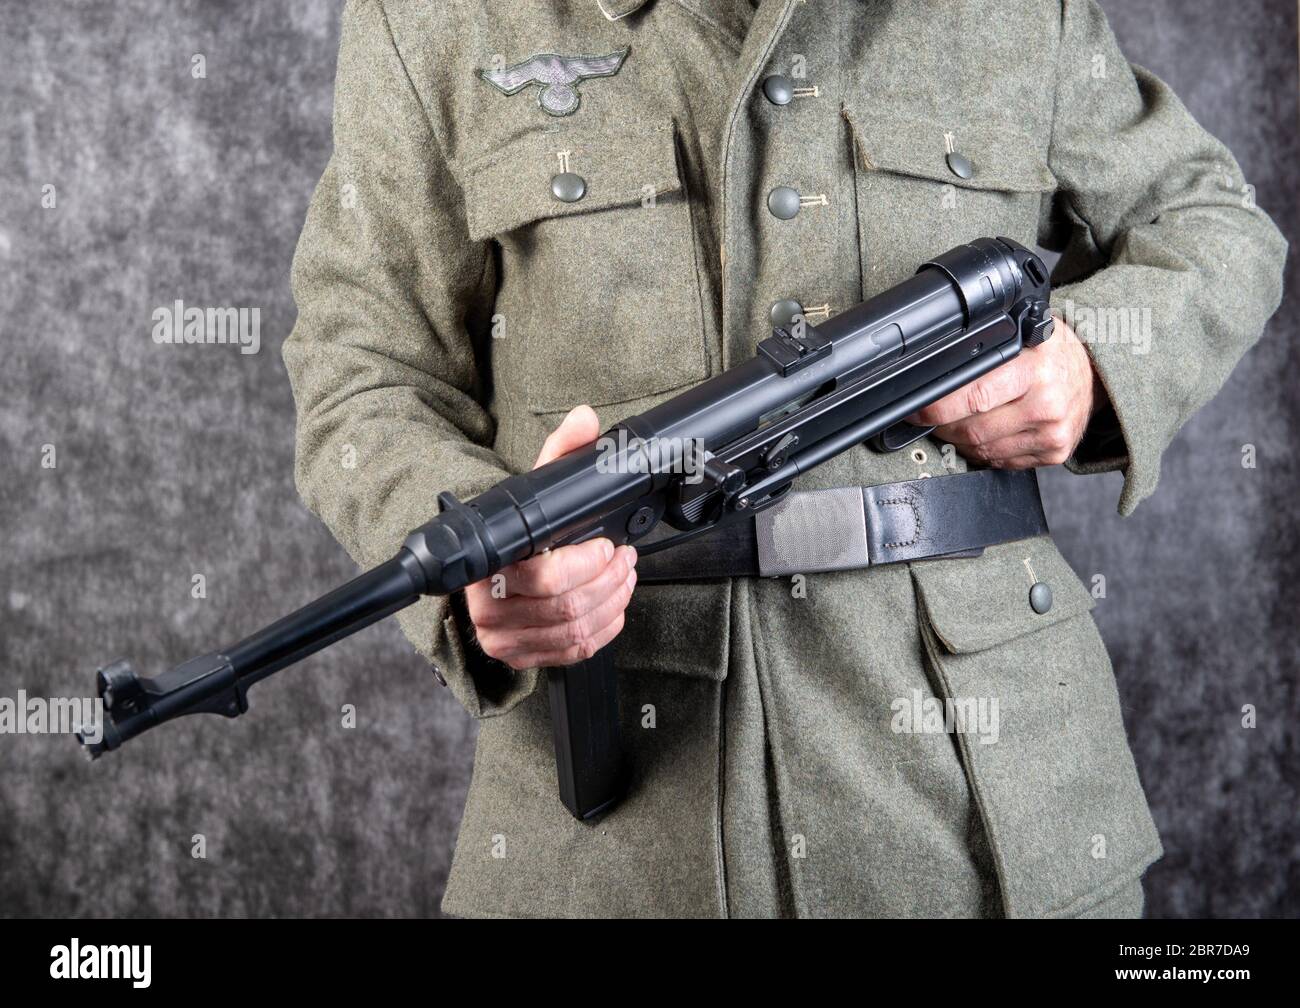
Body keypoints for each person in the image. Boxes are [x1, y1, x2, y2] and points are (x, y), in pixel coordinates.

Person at [282, 0, 1286, 917]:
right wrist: (479, 564)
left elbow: (1209, 224)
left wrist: (1088, 358)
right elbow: (363, 367)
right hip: (618, 839)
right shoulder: (437, 23)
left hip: (986, 810)